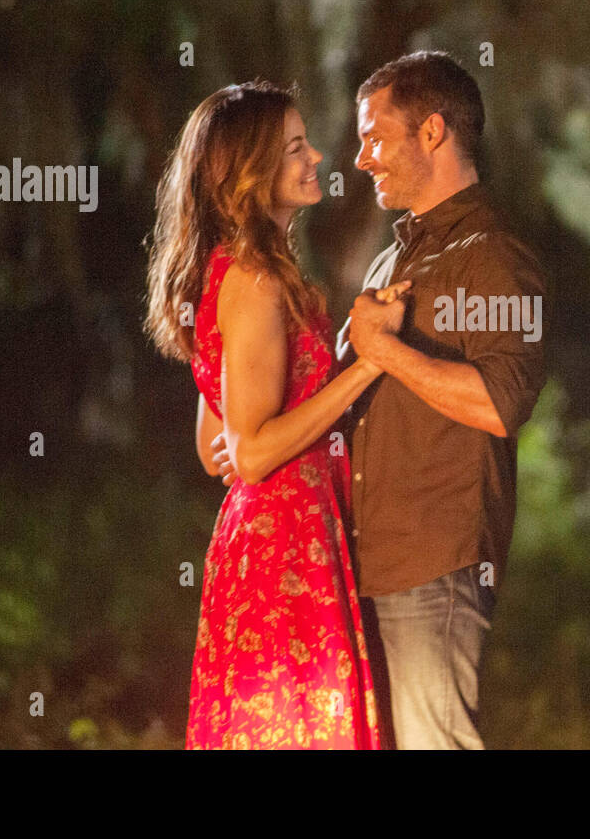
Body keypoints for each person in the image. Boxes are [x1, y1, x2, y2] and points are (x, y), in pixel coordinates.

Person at [144, 80, 408, 749]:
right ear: (247, 172)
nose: (316, 155)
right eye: (293, 146)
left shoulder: (232, 272)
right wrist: (371, 363)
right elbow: (253, 454)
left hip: (269, 536)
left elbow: (215, 448)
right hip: (283, 542)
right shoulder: (256, 282)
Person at [338, 51, 548, 749]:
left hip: (435, 563)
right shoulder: (393, 256)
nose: (362, 158)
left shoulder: (492, 256)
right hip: (372, 562)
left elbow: (499, 403)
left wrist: (385, 352)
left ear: (432, 132)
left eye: (375, 136)